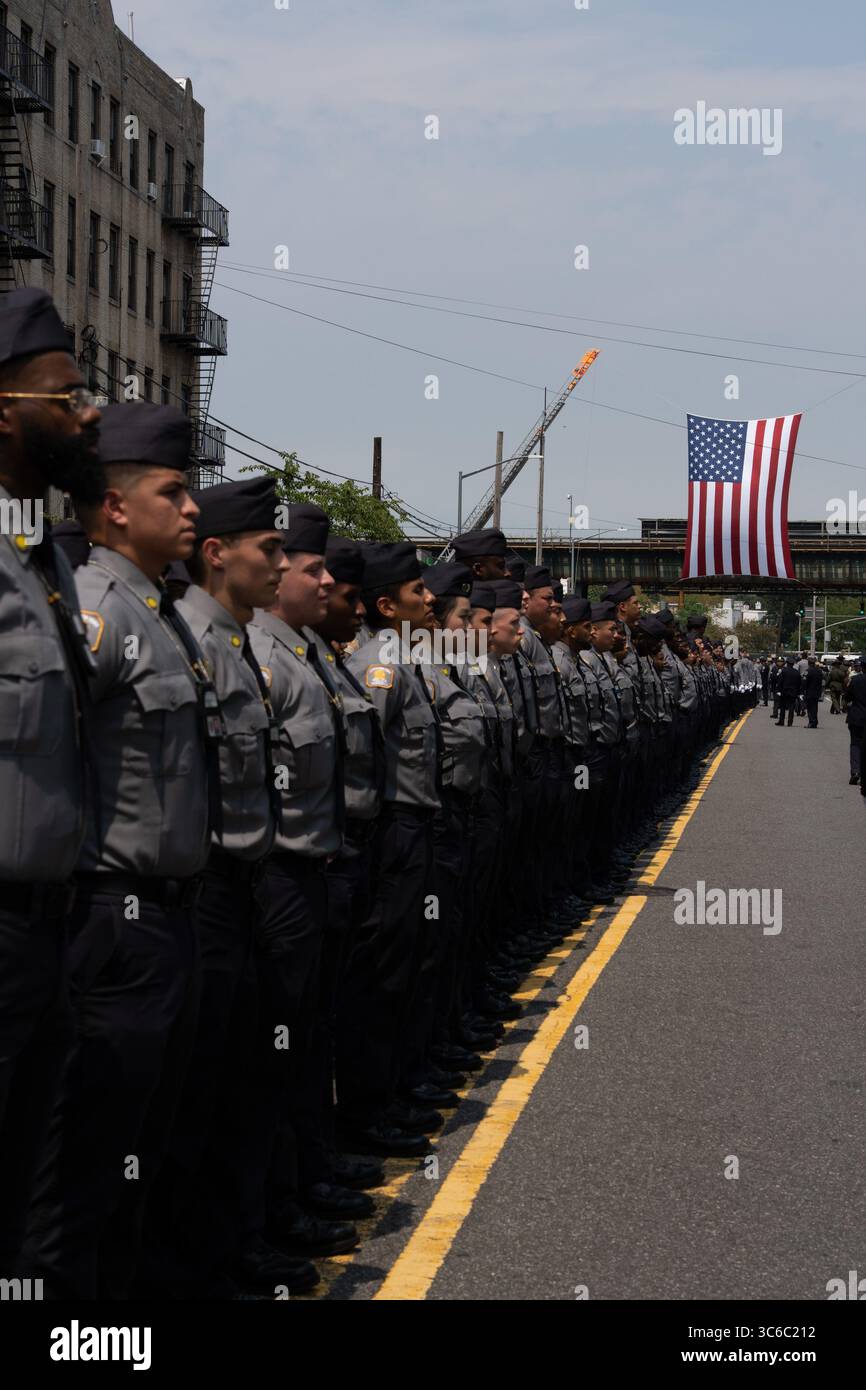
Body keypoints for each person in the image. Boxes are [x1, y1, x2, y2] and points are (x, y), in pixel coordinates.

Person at [26, 403, 213, 1300]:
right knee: (91, 1165)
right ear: (112, 508)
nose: (191, 511)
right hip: (113, 920)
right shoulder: (97, 610)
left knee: (149, 1142)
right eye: (172, 493)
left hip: (168, 919)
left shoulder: (157, 610)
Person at [0, 288, 103, 1278]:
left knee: (30, 1199)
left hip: (49, 929)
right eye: (67, 395)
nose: (90, 413)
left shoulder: (38, 562)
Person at [843, 657, 866, 790]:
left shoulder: (855, 680)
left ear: (861, 667)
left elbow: (847, 696)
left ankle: (856, 770)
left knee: (855, 744)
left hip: (857, 716)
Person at [776, 656, 801, 727]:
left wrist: (778, 690)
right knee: (791, 708)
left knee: (783, 707)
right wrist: (798, 692)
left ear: (787, 663)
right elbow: (799, 683)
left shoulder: (783, 671)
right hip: (793, 692)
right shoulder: (796, 672)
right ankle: (790, 722)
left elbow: (780, 681)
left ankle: (781, 721)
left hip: (784, 691)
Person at [802, 656, 823, 728]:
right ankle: (815, 721)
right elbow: (821, 682)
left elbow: (804, 682)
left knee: (810, 708)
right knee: (815, 708)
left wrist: (802, 690)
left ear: (808, 663)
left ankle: (811, 722)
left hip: (809, 692)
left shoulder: (807, 671)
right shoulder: (819, 671)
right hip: (817, 692)